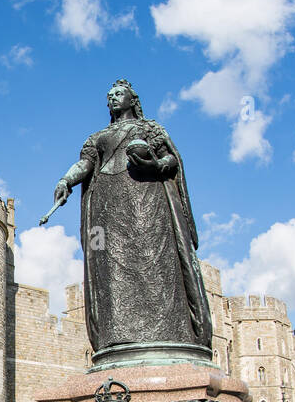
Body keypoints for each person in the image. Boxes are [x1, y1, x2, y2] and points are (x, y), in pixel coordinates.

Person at [51, 79, 211, 358]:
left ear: (131, 99)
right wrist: (66, 180)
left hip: (147, 200)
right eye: (109, 95)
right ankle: (118, 337)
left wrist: (154, 165)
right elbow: (86, 164)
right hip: (106, 204)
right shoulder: (97, 137)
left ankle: (167, 334)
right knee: (109, 270)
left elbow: (171, 160)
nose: (112, 98)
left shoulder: (149, 129)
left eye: (118, 94)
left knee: (155, 262)